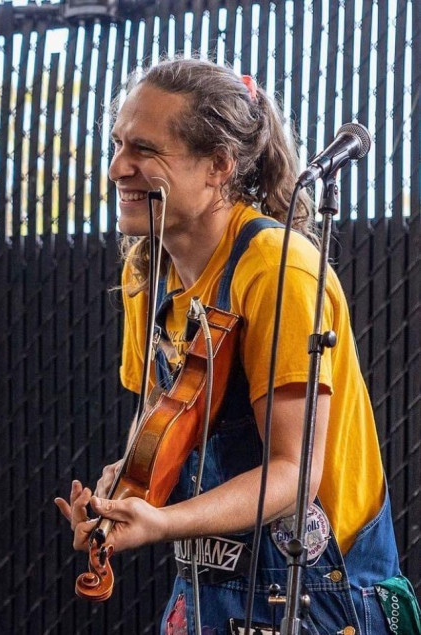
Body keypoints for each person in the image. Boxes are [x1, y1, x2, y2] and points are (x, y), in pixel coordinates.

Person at [56, 58, 420, 633]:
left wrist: (162, 522)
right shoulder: (145, 275)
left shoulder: (278, 270)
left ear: (218, 166)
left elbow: (291, 475)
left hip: (320, 596)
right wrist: (120, 496)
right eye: (118, 143)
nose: (117, 168)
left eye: (145, 151)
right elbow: (157, 423)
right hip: (206, 584)